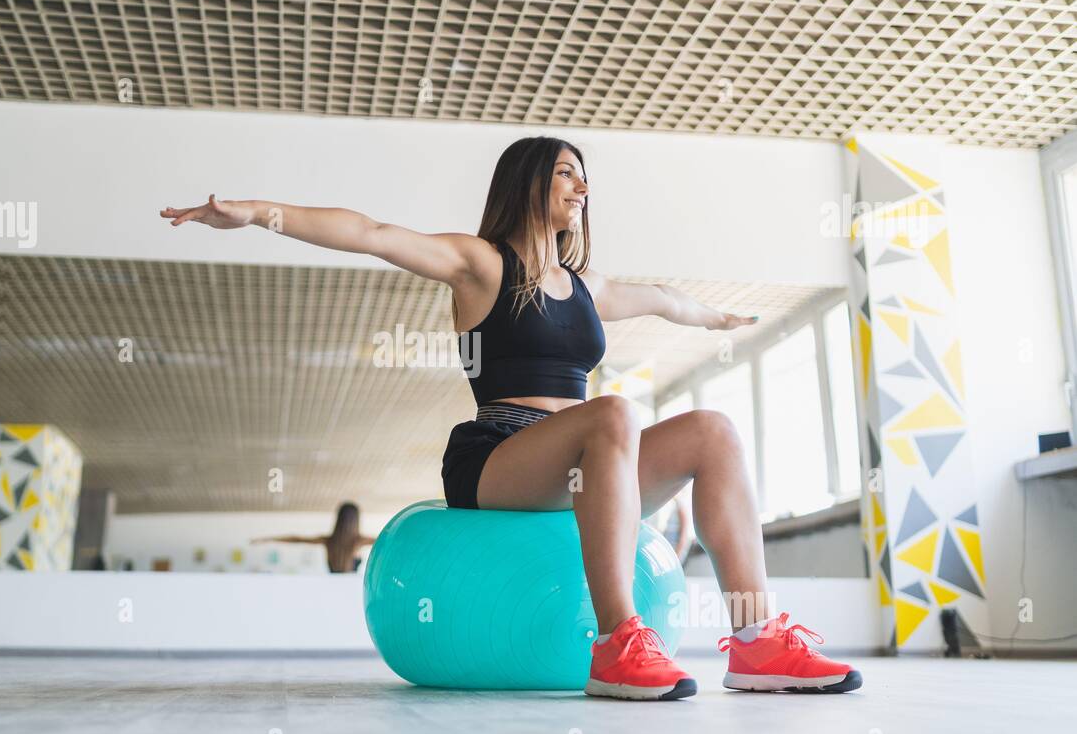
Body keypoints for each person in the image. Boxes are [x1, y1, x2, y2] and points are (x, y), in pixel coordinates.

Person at [160, 136, 861, 701]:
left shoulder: (587, 287)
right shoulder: (480, 265)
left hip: (590, 463)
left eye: (584, 179)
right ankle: (618, 644)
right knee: (610, 413)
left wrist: (716, 317)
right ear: (527, 183)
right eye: (565, 174)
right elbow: (370, 232)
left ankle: (755, 639)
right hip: (499, 456)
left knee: (715, 432)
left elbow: (664, 299)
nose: (581, 189)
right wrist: (255, 213)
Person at [250, 502, 375, 574]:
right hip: (348, 589)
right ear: (356, 521)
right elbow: (388, 541)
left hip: (333, 587)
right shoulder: (359, 541)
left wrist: (267, 539)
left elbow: (297, 539)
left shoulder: (329, 541)